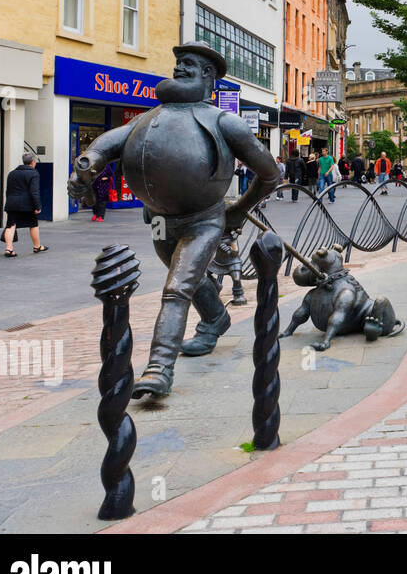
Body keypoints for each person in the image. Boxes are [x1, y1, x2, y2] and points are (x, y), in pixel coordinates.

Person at [66, 41, 279, 398]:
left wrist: (240, 209)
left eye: (190, 64)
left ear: (209, 75)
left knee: (177, 287)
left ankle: (159, 367)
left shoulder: (223, 122)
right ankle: (215, 319)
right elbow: (107, 145)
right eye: (178, 61)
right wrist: (88, 166)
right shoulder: (151, 117)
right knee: (188, 279)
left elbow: (270, 173)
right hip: (161, 221)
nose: (179, 68)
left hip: (203, 220)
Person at [1, 152, 45, 257]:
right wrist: (37, 206)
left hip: (12, 203)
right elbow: (34, 191)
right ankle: (37, 246)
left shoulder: (12, 173)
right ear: (33, 162)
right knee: (33, 224)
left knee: (10, 225)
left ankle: (9, 249)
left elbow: (8, 190)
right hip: (27, 204)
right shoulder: (34, 173)